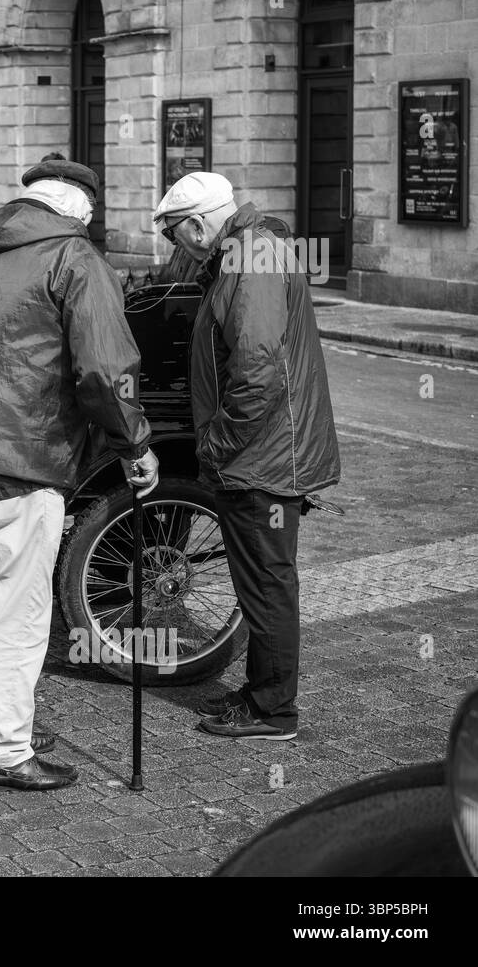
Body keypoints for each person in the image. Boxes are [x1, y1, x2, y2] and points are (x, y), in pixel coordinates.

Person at [0, 155, 159, 792]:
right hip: (21, 456)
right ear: (78, 214)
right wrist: (135, 443)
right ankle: (4, 750)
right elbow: (105, 371)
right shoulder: (74, 259)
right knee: (16, 609)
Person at [153, 171, 340, 741]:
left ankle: (273, 710)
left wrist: (217, 444)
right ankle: (265, 694)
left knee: (267, 584)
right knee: (266, 582)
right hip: (264, 453)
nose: (175, 247)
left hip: (261, 458)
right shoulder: (248, 251)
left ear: (197, 224)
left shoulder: (251, 259)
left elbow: (257, 372)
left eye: (174, 235)